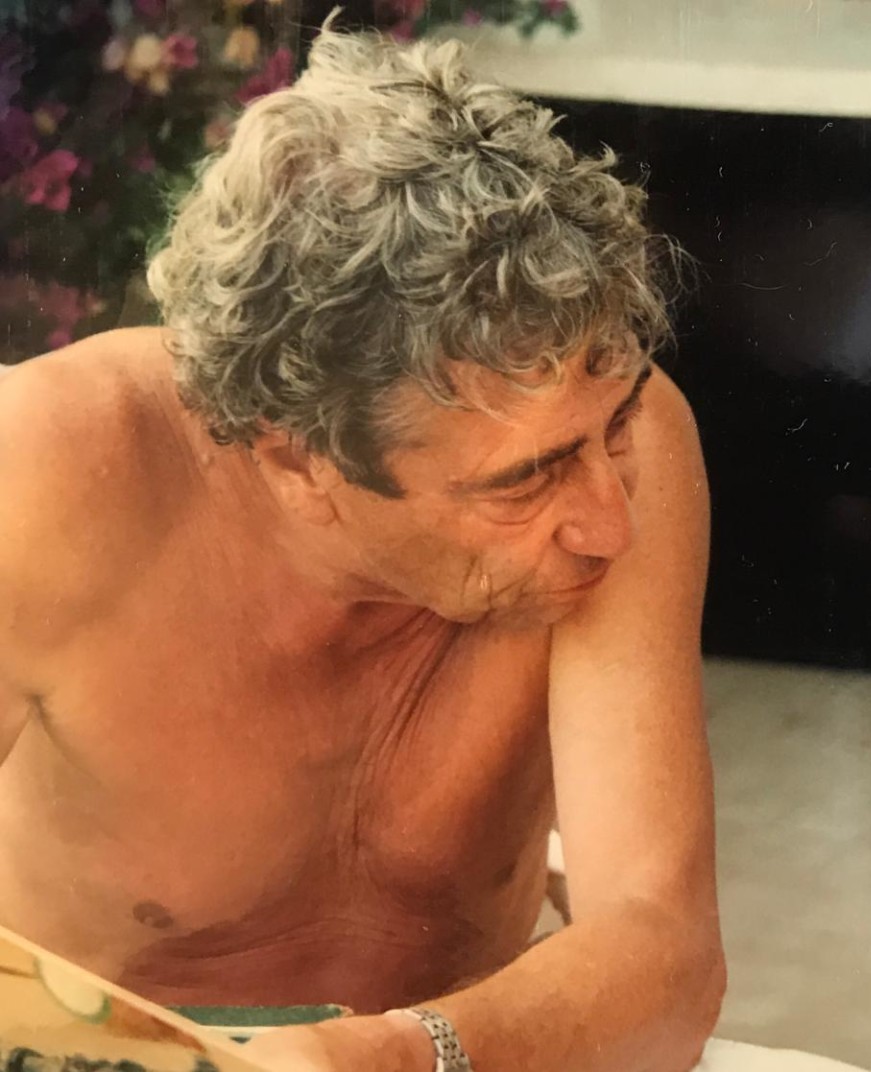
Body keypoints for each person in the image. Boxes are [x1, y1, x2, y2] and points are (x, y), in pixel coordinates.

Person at [0, 25, 724, 1072]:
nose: (610, 522)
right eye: (524, 477)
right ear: (298, 462)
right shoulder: (46, 470)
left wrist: (384, 1058)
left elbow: (666, 957)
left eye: (609, 428)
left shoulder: (628, 439)